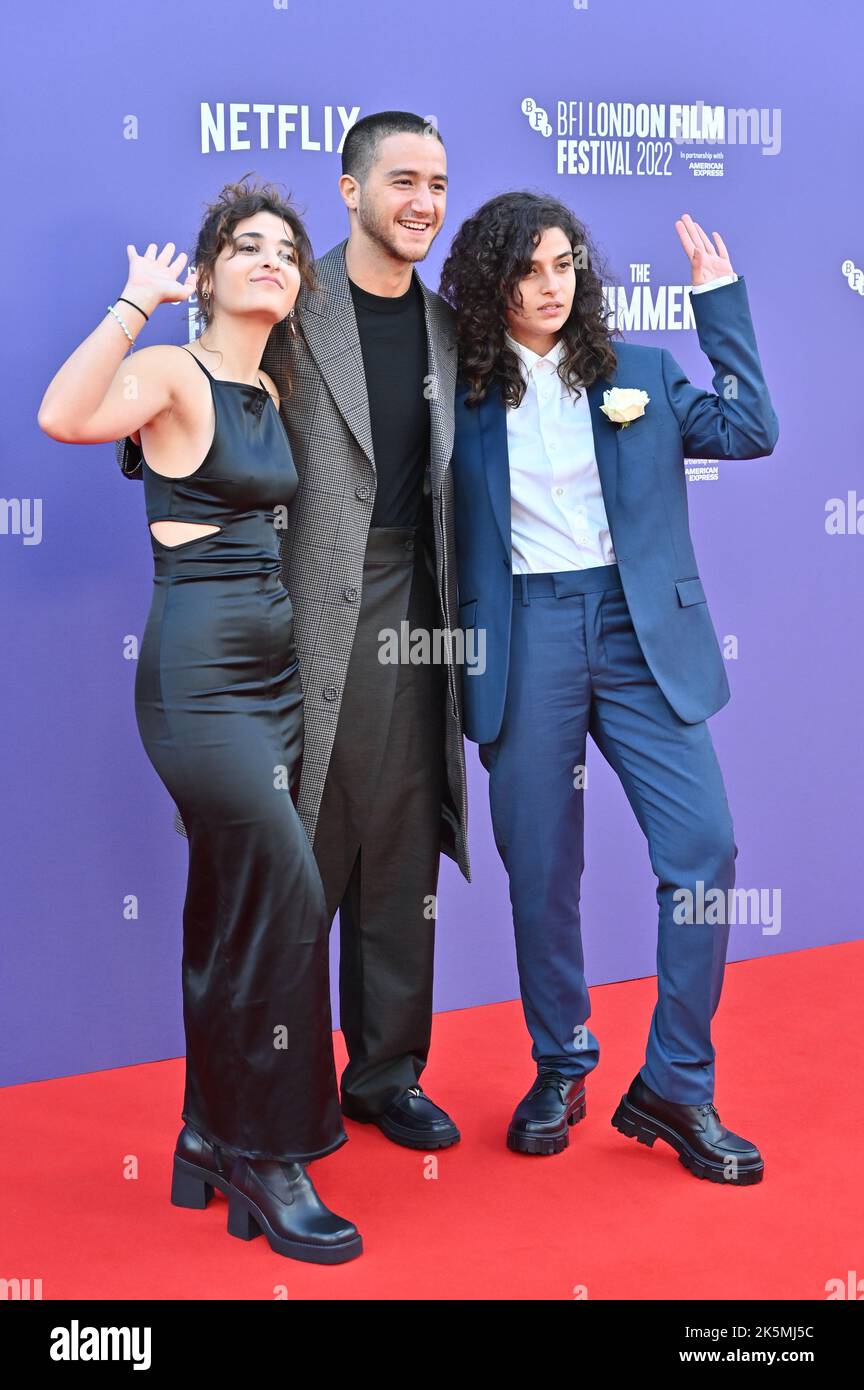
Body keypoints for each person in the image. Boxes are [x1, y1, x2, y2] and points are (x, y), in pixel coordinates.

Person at [118, 113, 471, 1151]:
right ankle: (265, 1100)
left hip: (425, 609)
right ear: (352, 190)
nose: (423, 201)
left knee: (403, 843)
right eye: (402, 179)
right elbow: (204, 414)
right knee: (300, 846)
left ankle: (388, 1070)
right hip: (305, 611)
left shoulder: (451, 327)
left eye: (439, 183)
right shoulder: (290, 300)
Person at [38, 178, 362, 1261]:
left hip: (271, 679)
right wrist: (135, 303)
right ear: (211, 271)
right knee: (290, 888)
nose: (272, 258)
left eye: (287, 250)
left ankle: (207, 1135)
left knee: (232, 906)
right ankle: (271, 1154)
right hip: (199, 681)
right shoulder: (178, 371)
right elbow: (65, 416)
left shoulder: (268, 393)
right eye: (248, 245)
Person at [441, 196, 778, 1184]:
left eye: (563, 266)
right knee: (542, 870)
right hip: (525, 632)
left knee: (705, 848)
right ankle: (561, 1062)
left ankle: (678, 1080)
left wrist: (716, 298)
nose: (551, 286)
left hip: (642, 633)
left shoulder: (641, 373)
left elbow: (752, 425)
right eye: (527, 271)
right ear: (489, 286)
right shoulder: (454, 395)